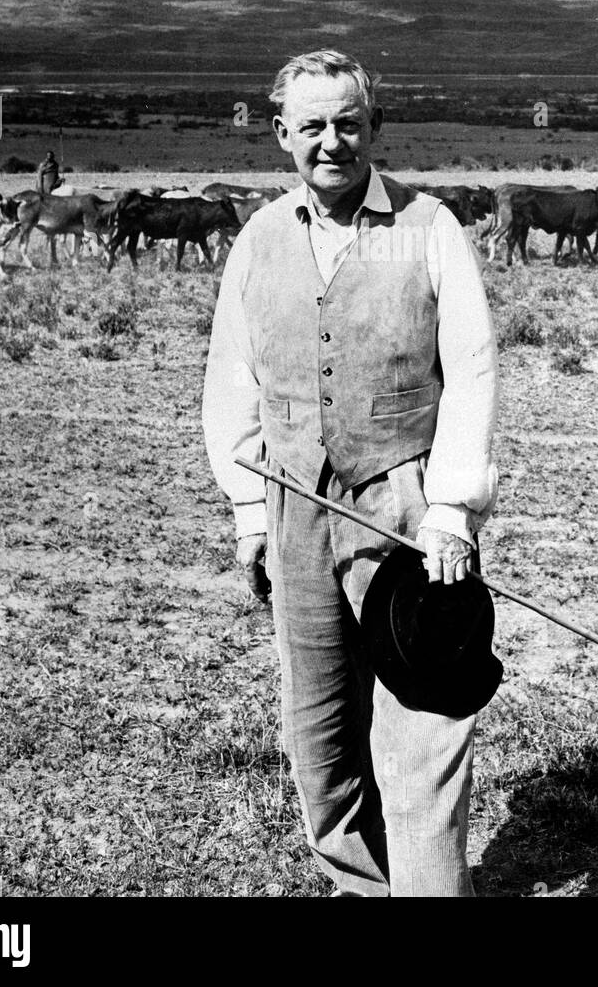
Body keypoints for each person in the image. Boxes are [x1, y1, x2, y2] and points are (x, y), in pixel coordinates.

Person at [202, 49, 499, 897]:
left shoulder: (429, 225)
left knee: (425, 729)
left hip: (405, 505)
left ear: (375, 127)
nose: (331, 142)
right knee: (320, 739)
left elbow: (472, 371)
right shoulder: (260, 236)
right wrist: (251, 515)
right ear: (280, 135)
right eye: (312, 126)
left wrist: (450, 512)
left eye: (348, 123)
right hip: (295, 501)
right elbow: (234, 380)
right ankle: (363, 885)